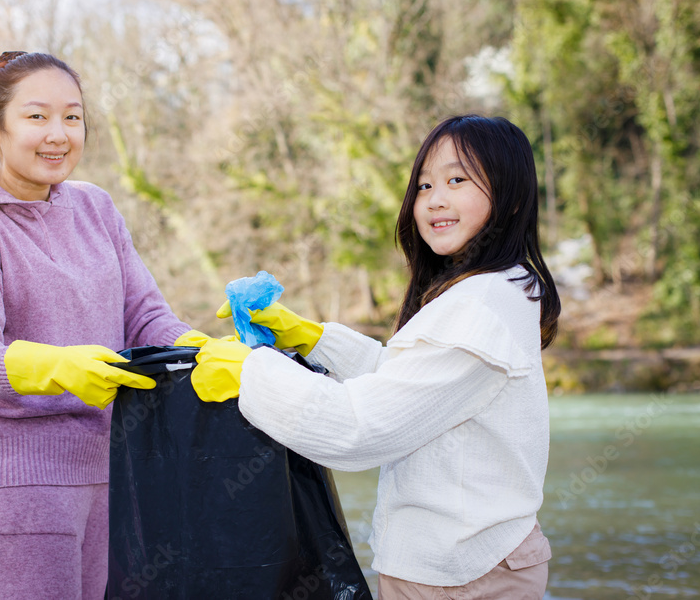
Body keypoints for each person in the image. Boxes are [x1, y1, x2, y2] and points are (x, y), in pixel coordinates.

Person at [191, 115, 560, 599]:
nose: (435, 199)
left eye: (457, 180)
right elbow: (410, 386)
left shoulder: (481, 306)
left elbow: (362, 429)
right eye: (424, 184)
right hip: (465, 564)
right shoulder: (493, 289)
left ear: (511, 198)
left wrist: (251, 372)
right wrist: (312, 339)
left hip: (466, 576)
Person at [0, 51, 194, 599]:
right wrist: (59, 366)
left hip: (106, 470)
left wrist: (202, 353)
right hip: (11, 478)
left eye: (72, 117)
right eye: (37, 116)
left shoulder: (95, 207)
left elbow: (144, 316)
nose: (59, 134)